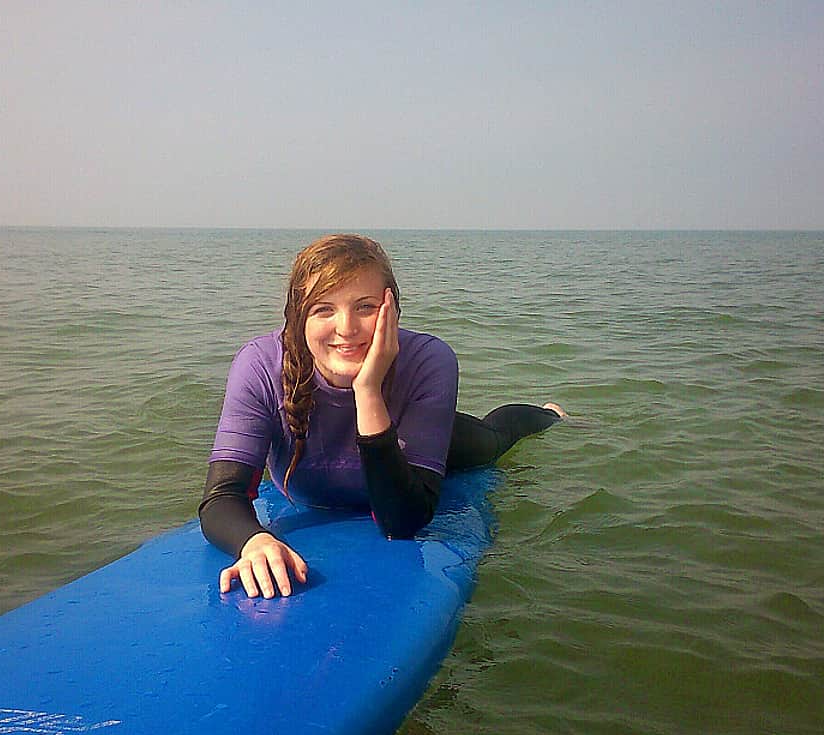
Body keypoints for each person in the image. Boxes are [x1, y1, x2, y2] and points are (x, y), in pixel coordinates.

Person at [199, 234, 564, 599]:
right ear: (298, 319)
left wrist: (368, 390)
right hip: (330, 480)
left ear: (393, 310)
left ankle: (549, 415)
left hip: (420, 444)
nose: (346, 328)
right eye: (323, 309)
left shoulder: (428, 360)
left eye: (365, 307)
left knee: (494, 439)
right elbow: (221, 496)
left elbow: (403, 522)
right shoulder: (260, 366)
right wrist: (253, 540)